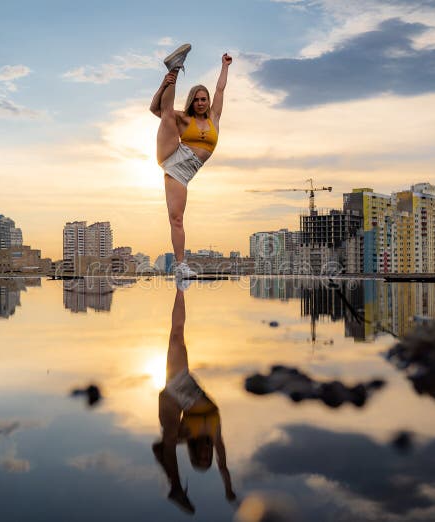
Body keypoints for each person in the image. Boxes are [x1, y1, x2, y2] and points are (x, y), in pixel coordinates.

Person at [150, 44, 232, 279]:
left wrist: (224, 66)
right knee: (176, 219)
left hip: (187, 172)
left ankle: (174, 69)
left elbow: (220, 89)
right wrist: (165, 83)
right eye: (196, 99)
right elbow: (154, 108)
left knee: (177, 218)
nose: (200, 102)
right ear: (192, 102)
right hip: (173, 159)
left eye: (203, 99)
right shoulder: (185, 119)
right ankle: (180, 265)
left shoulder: (215, 117)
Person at [152, 288, 236, 514]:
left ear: (193, 452)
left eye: (199, 457)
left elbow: (168, 443)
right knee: (177, 334)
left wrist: (171, 441)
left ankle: (176, 488)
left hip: (174, 390)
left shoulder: (187, 433)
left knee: (176, 334)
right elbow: (224, 466)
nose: (205, 455)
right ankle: (180, 287)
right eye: (206, 459)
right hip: (182, 385)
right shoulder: (215, 434)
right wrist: (228, 488)